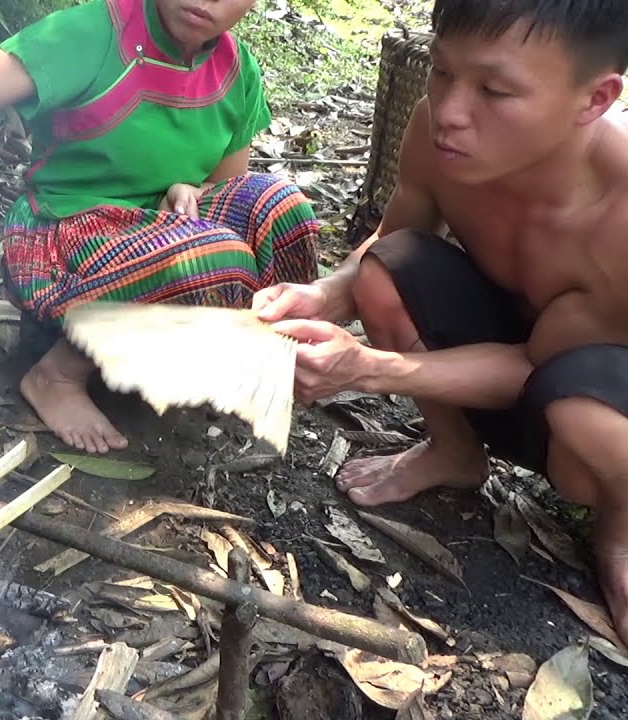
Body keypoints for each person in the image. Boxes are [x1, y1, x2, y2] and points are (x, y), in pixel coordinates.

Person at [252, 0, 628, 645]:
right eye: (441, 72)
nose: (451, 111)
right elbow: (395, 236)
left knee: (579, 427)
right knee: (387, 271)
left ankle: (621, 530)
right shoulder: (436, 130)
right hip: (518, 357)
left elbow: (544, 372)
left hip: (591, 386)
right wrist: (327, 293)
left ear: (594, 99)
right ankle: (453, 453)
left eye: (495, 90)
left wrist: (370, 369)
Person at [0, 0, 322, 454]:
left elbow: (227, 193)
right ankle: (56, 375)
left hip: (164, 240)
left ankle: (226, 364)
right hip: (59, 241)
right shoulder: (94, 33)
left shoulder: (236, 71)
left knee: (280, 208)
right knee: (212, 255)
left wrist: (184, 188)